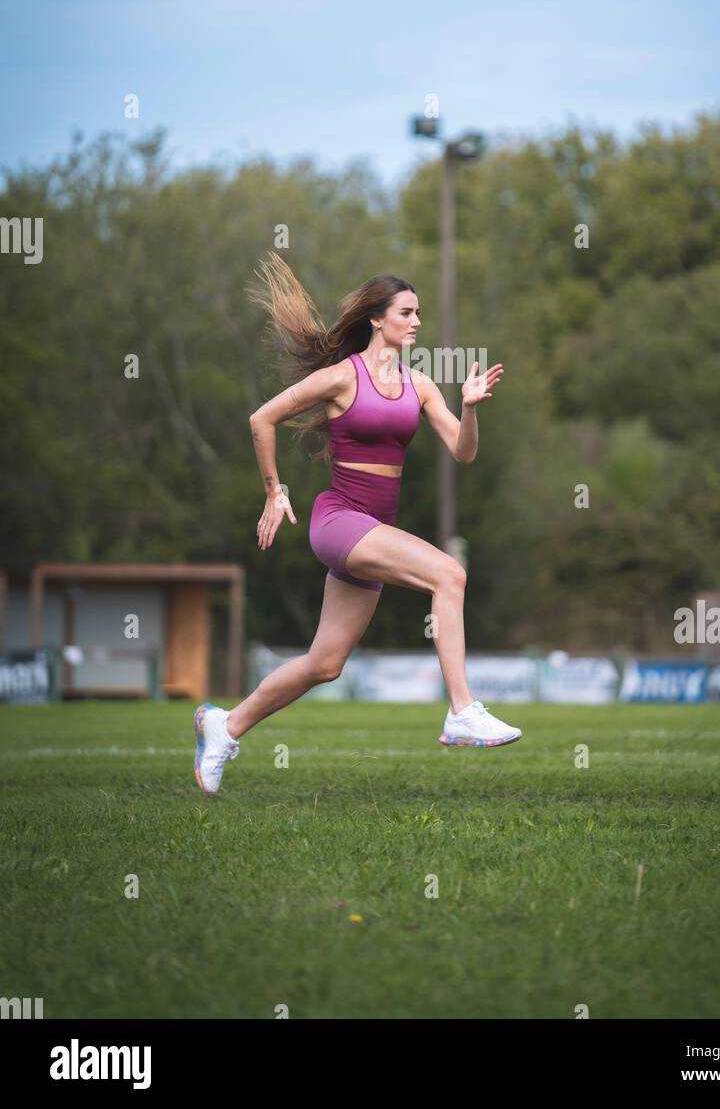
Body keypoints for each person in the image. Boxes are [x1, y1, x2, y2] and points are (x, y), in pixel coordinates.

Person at [194, 255, 521, 794]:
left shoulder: (420, 385)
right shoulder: (342, 377)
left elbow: (462, 453)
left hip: (374, 529)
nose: (417, 322)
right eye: (407, 312)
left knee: (324, 664)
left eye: (419, 314)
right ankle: (463, 710)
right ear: (377, 318)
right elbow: (262, 418)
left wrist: (471, 408)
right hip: (339, 520)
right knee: (449, 575)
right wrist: (274, 492)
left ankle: (223, 727)